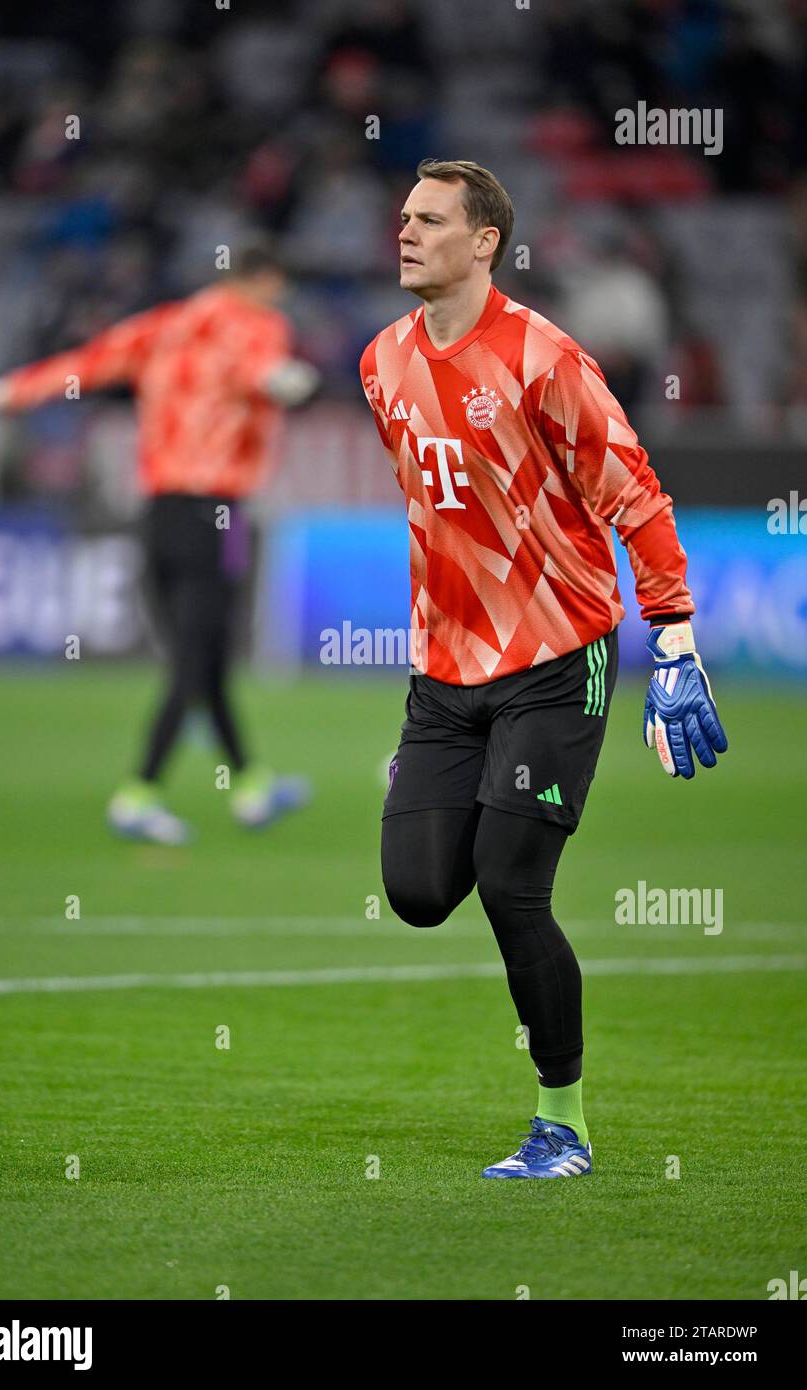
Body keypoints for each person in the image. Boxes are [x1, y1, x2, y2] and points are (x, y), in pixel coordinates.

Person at [359, 159, 727, 1180]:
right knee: (419, 890)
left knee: (508, 884)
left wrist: (675, 638)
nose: (405, 232)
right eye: (402, 218)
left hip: (555, 660)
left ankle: (558, 1123)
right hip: (442, 677)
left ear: (483, 242)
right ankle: (442, 784)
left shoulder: (542, 357)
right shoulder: (379, 360)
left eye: (429, 220)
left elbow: (633, 494)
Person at [0, 246, 320, 842]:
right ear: (268, 280)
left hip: (159, 512)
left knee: (206, 657)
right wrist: (278, 379)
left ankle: (250, 786)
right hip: (216, 512)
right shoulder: (259, 324)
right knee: (199, 659)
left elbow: (85, 366)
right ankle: (139, 794)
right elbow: (255, 367)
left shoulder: (163, 325)